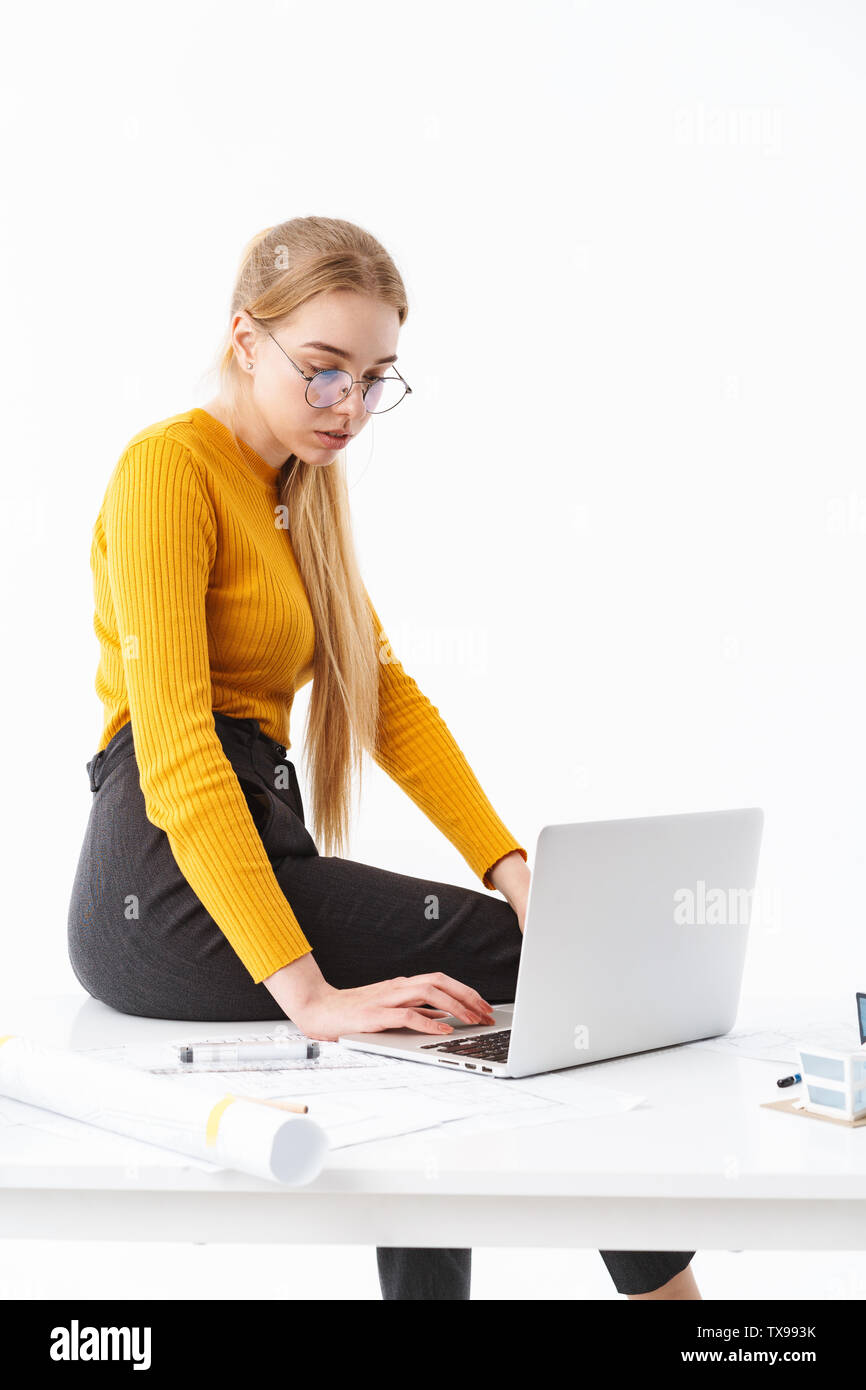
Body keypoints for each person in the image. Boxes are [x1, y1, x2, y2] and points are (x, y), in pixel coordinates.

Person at [67, 214, 699, 1301]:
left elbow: (383, 699)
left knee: (450, 998)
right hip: (163, 880)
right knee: (532, 973)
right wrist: (308, 994)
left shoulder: (297, 498)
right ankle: (676, 1310)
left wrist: (512, 869)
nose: (348, 407)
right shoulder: (166, 472)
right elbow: (175, 755)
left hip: (253, 847)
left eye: (373, 379)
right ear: (244, 339)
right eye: (323, 372)